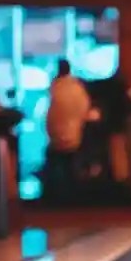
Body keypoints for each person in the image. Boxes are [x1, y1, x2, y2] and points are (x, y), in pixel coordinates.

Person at [45, 59, 92, 203]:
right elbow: (84, 109)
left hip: (58, 135)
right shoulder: (76, 88)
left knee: (59, 164)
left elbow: (52, 113)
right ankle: (72, 195)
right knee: (71, 166)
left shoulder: (56, 87)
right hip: (75, 134)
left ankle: (57, 195)